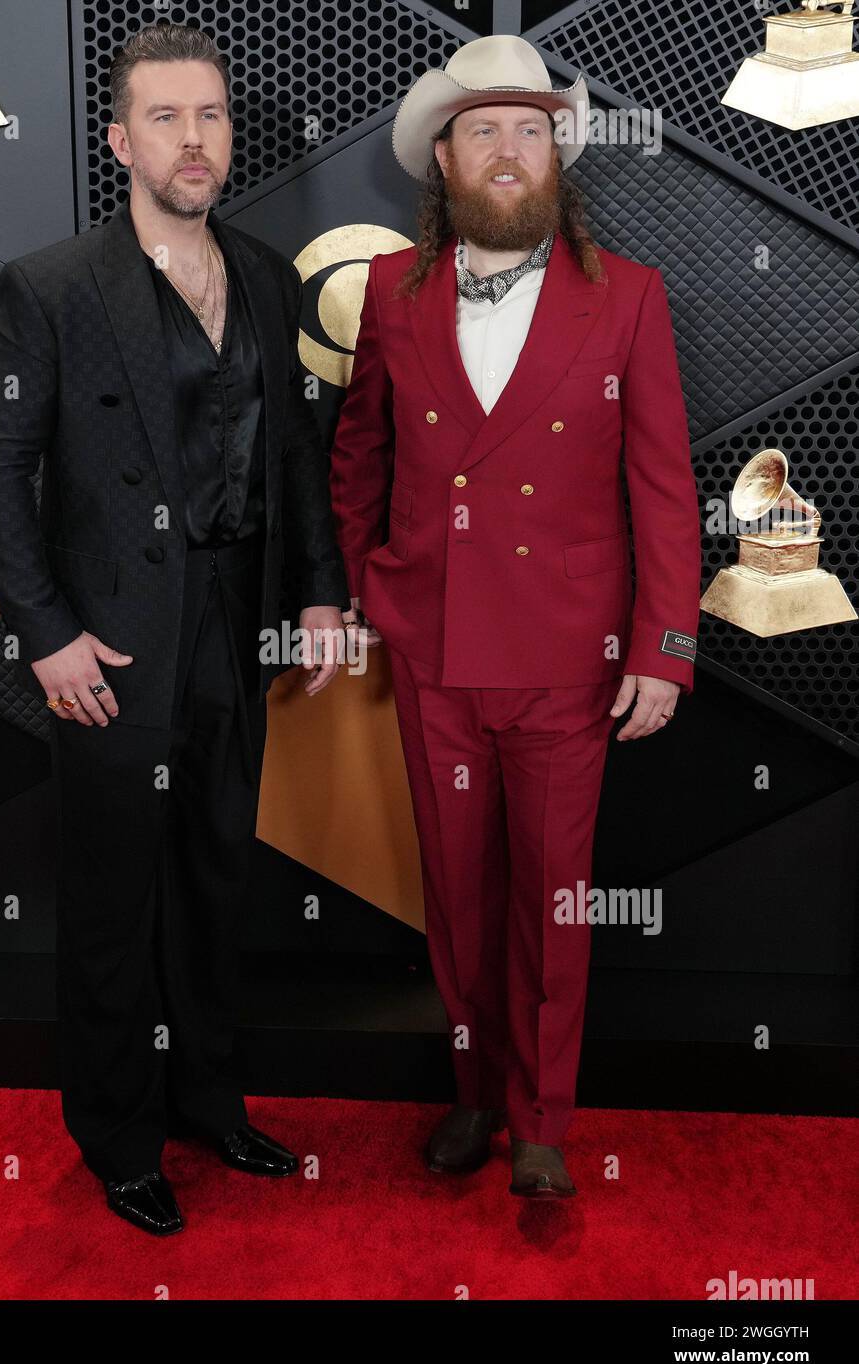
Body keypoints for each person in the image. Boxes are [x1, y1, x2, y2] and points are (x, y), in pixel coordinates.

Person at [0, 23, 349, 1235]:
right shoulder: (54, 285)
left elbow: (296, 450)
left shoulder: (269, 275)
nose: (195, 140)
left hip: (234, 627)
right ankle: (120, 1135)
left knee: (211, 877)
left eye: (213, 116)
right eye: (168, 120)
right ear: (122, 140)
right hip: (114, 643)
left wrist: (322, 596)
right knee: (114, 899)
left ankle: (207, 1100)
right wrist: (46, 635)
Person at [329, 35, 702, 1199]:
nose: (507, 148)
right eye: (482, 128)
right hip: (436, 650)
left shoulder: (627, 297)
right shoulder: (392, 292)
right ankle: (473, 1093)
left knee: (550, 894)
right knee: (456, 897)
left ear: (555, 156)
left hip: (567, 656)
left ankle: (539, 1115)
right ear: (441, 158)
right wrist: (363, 582)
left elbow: (663, 486)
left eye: (528, 128)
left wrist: (663, 647)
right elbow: (358, 456)